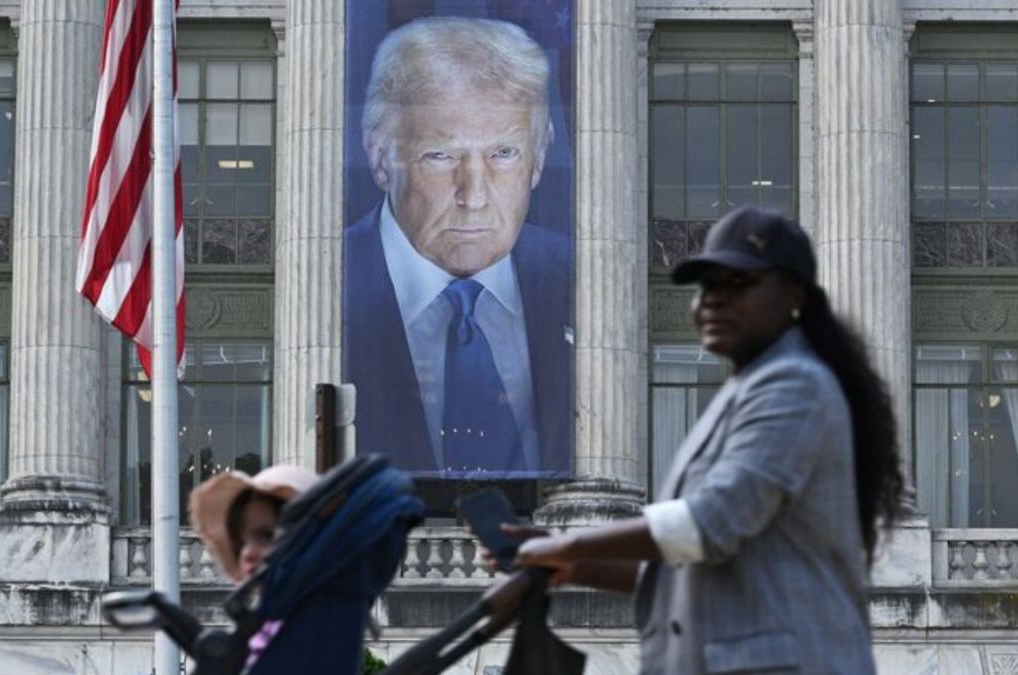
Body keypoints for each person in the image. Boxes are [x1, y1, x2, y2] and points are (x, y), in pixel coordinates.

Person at [510, 206, 906, 674]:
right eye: (706, 286)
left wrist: (573, 544)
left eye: (738, 284)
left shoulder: (795, 385)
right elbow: (688, 569)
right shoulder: (750, 389)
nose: (713, 301)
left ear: (794, 294)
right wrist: (572, 564)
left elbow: (711, 521)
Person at [344, 16, 572, 478]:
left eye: (503, 154)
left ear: (540, 156)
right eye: (441, 155)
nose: (474, 195)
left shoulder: (579, 276)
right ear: (379, 155)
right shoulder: (328, 279)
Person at [189, 465, 318, 669]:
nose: (247, 553)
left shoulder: (312, 627)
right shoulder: (268, 625)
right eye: (240, 542)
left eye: (267, 535)